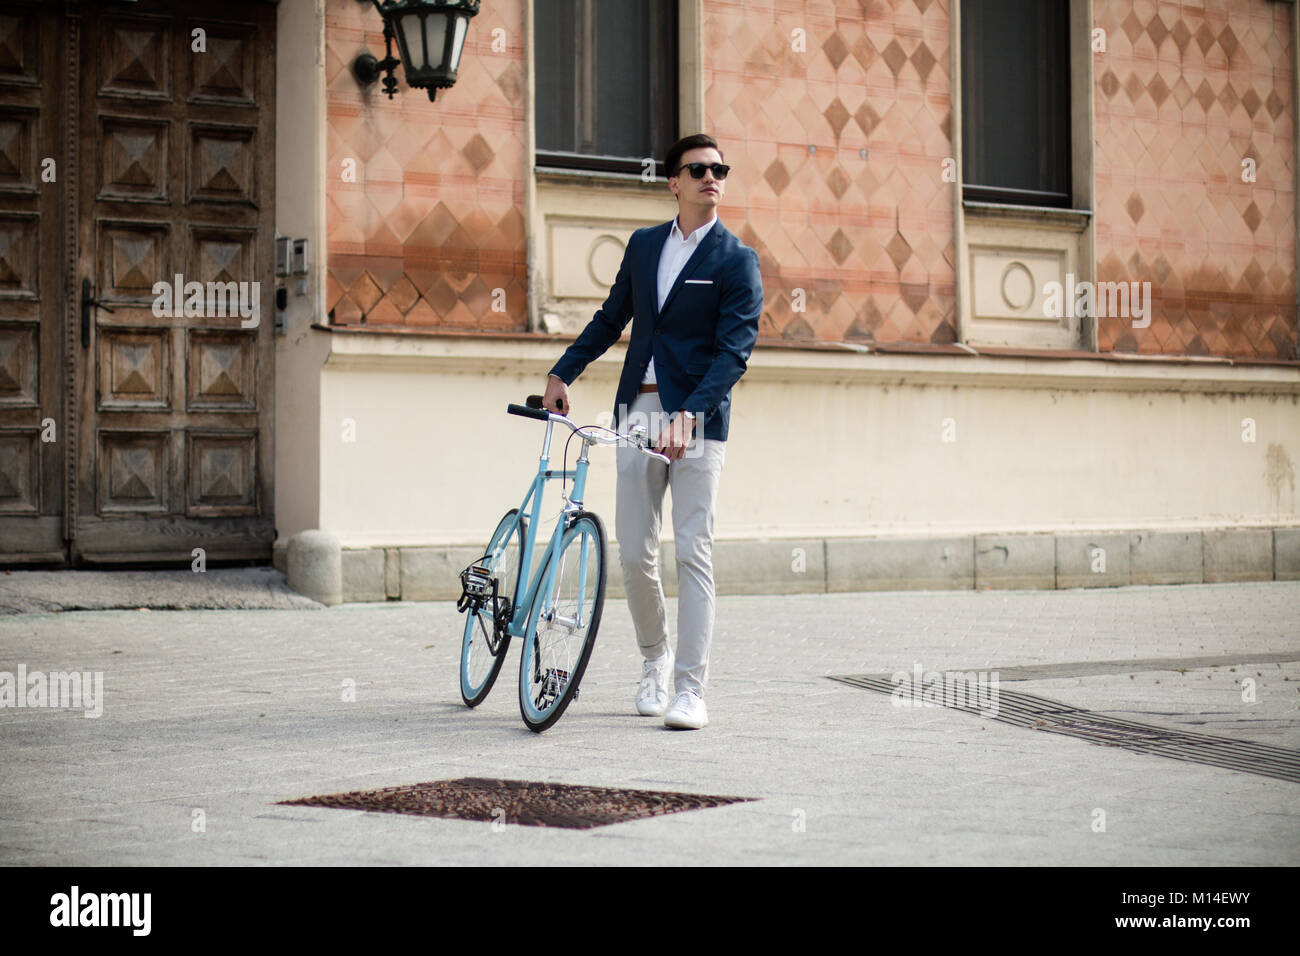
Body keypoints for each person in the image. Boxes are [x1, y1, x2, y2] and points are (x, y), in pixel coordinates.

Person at [542, 133, 763, 730]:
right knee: (635, 553)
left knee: (693, 551)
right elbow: (612, 317)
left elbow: (733, 351)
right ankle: (654, 660)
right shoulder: (643, 248)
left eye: (720, 168)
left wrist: (691, 411)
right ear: (673, 182)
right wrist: (564, 370)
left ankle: (691, 689)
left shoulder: (736, 259)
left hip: (699, 423)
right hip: (637, 415)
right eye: (698, 169)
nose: (711, 177)